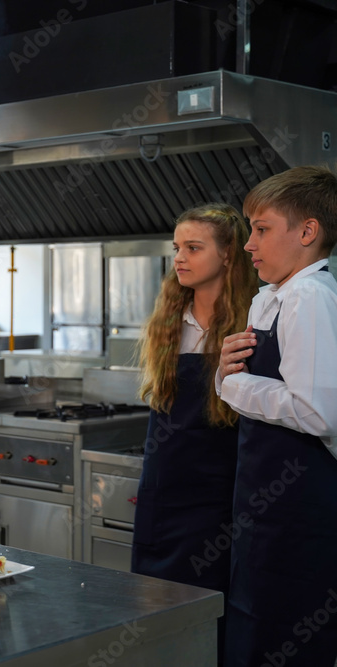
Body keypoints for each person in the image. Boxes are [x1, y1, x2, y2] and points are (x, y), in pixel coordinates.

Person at [217, 166, 337, 667]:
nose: (249, 244)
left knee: (283, 637)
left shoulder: (310, 296)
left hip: (297, 514)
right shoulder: (274, 296)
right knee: (254, 625)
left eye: (261, 229)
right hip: (266, 509)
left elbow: (318, 411)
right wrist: (230, 373)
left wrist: (233, 385)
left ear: (308, 232)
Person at [131, 203, 259, 665]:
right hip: (165, 492)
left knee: (216, 617)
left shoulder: (255, 320)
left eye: (193, 248)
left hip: (224, 498)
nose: (179, 258)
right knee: (158, 614)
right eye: (176, 248)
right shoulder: (168, 322)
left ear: (228, 255)